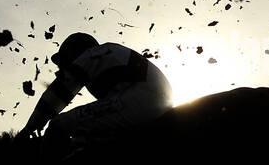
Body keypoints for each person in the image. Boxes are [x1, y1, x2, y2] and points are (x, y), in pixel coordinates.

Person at [18, 33, 173, 157]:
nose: (61, 67)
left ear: (74, 52)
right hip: (158, 101)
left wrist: (29, 128)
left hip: (140, 101)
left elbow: (59, 93)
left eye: (64, 60)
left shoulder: (90, 55)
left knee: (58, 125)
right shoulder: (109, 53)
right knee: (85, 136)